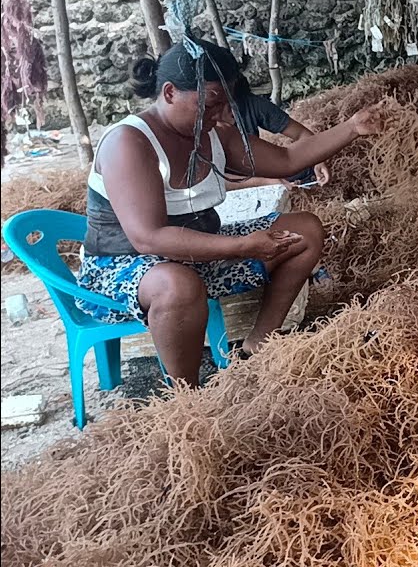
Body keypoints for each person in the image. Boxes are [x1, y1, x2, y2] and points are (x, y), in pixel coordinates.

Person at [77, 39, 383, 384]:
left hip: (199, 253)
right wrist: (241, 247)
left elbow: (287, 159)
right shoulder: (130, 142)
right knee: (177, 285)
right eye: (210, 104)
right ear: (168, 93)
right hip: (126, 266)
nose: (221, 115)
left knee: (305, 231)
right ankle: (185, 396)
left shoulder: (213, 133)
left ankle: (256, 349)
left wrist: (354, 127)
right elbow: (149, 238)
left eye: (225, 104)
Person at [226, 75, 331, 189]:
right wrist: (266, 183)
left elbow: (302, 134)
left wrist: (318, 161)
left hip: (257, 169)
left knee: (307, 168)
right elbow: (216, 182)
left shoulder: (250, 104)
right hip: (230, 184)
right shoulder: (206, 124)